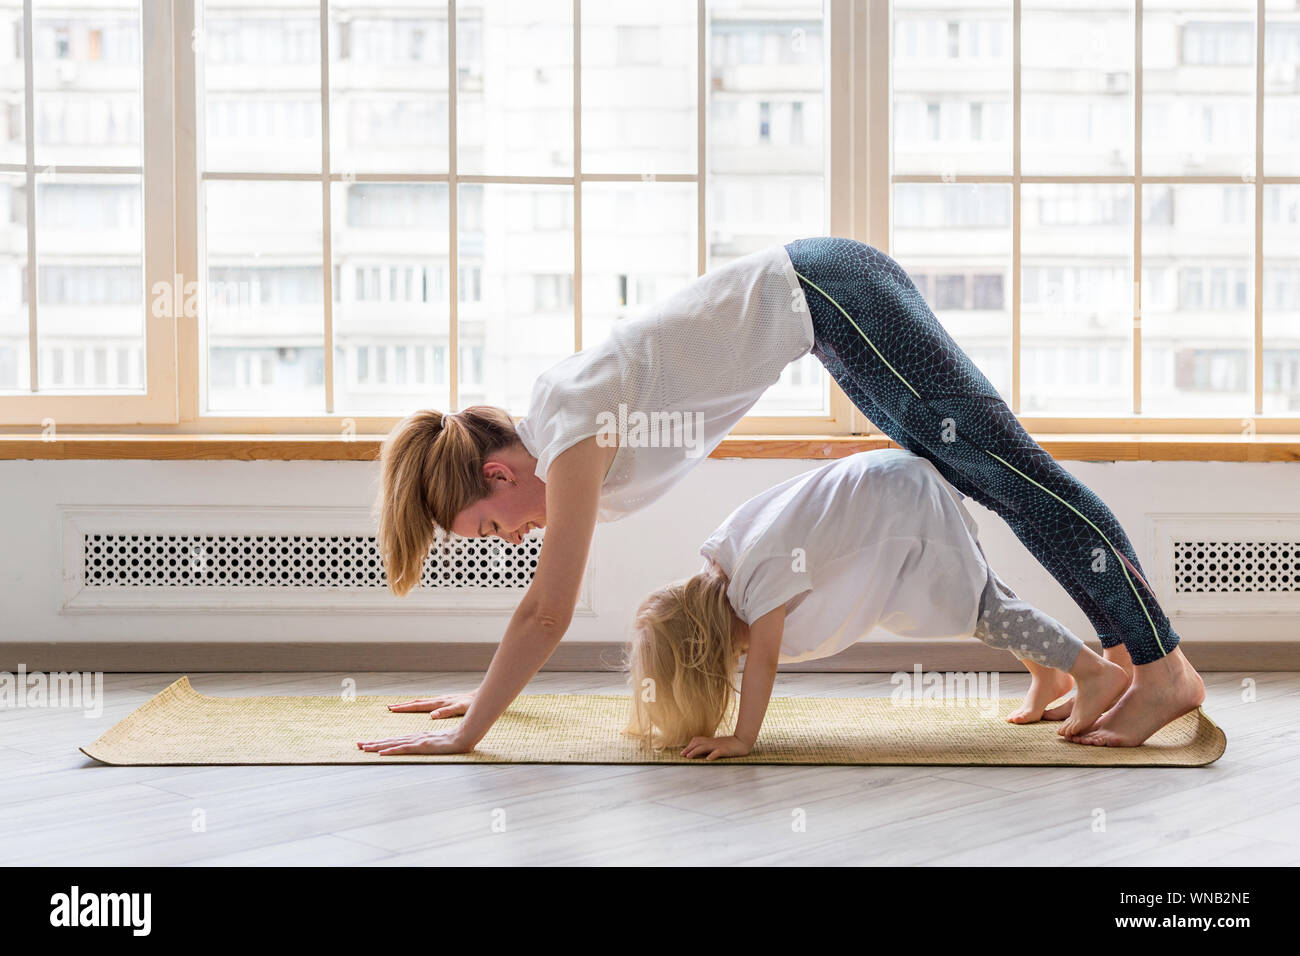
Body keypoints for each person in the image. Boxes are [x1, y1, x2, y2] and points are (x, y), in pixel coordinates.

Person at [356, 237, 1203, 758]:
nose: (512, 538)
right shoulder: (567, 427)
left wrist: (470, 731)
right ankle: (1121, 660)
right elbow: (539, 607)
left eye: (490, 526)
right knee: (996, 478)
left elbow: (547, 610)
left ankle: (1162, 667)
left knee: (1014, 475)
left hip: (832, 291)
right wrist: (487, 690)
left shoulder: (571, 434)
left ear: (499, 475)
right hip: (829, 312)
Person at [623, 448, 1131, 758]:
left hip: (900, 501)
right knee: (981, 594)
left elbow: (766, 661)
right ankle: (1049, 674)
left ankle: (1093, 672)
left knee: (980, 609)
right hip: (889, 487)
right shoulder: (726, 561)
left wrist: (742, 739)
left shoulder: (757, 585)